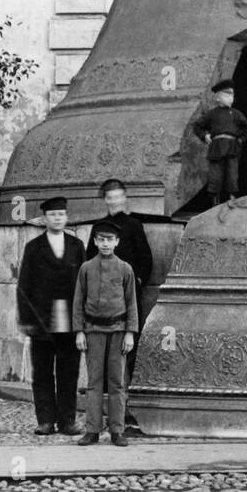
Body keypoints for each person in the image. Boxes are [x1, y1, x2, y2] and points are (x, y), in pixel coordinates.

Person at [86, 178, 153, 423]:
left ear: (124, 198)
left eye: (118, 197)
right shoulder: (99, 228)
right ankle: (102, 411)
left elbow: (146, 259)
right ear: (105, 200)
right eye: (109, 197)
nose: (114, 201)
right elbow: (88, 263)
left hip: (128, 299)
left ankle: (126, 408)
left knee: (128, 351)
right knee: (101, 357)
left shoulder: (134, 226)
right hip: (101, 302)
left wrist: (138, 281)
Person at [16, 197, 85, 436]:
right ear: (44, 219)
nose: (57, 218)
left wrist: (82, 321)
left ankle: (67, 421)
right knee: (43, 372)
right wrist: (27, 321)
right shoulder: (34, 247)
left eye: (61, 214)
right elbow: (24, 286)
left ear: (66, 218)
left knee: (69, 371)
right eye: (53, 214)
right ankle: (45, 420)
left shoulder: (76, 246)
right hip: (41, 320)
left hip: (69, 320)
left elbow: (83, 284)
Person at [73, 222, 138, 446]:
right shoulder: (87, 269)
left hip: (118, 331)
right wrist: (79, 331)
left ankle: (117, 430)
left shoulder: (125, 269)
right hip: (93, 332)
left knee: (117, 382)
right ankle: (92, 429)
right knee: (94, 382)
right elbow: (78, 302)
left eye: (110, 239)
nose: (105, 244)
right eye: (101, 239)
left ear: (117, 242)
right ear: (95, 241)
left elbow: (132, 303)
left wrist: (130, 332)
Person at [193, 79, 247, 204]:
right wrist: (205, 136)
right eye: (227, 95)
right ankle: (215, 204)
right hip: (217, 148)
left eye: (232, 95)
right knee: (215, 177)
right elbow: (198, 125)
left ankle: (232, 201)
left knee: (232, 176)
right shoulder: (212, 114)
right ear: (218, 98)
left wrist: (241, 139)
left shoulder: (236, 114)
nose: (231, 98)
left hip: (232, 148)